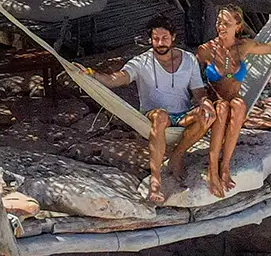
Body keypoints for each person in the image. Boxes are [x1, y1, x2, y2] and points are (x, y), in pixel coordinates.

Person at [88, 17, 214, 202]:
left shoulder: (188, 59)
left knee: (208, 116)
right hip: (153, 114)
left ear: (173, 37)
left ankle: (177, 155)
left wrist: (205, 101)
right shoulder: (141, 62)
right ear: (150, 40)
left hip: (182, 114)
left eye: (164, 38)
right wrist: (92, 75)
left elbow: (198, 90)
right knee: (161, 116)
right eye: (156, 38)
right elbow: (116, 79)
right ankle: (156, 180)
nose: (160, 43)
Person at [197, 3, 271, 199]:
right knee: (222, 108)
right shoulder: (206, 50)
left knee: (238, 105)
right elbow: (192, 78)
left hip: (234, 100)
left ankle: (226, 165)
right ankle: (212, 169)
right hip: (213, 102)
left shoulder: (244, 46)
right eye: (219, 22)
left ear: (237, 27)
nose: (221, 26)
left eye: (226, 23)